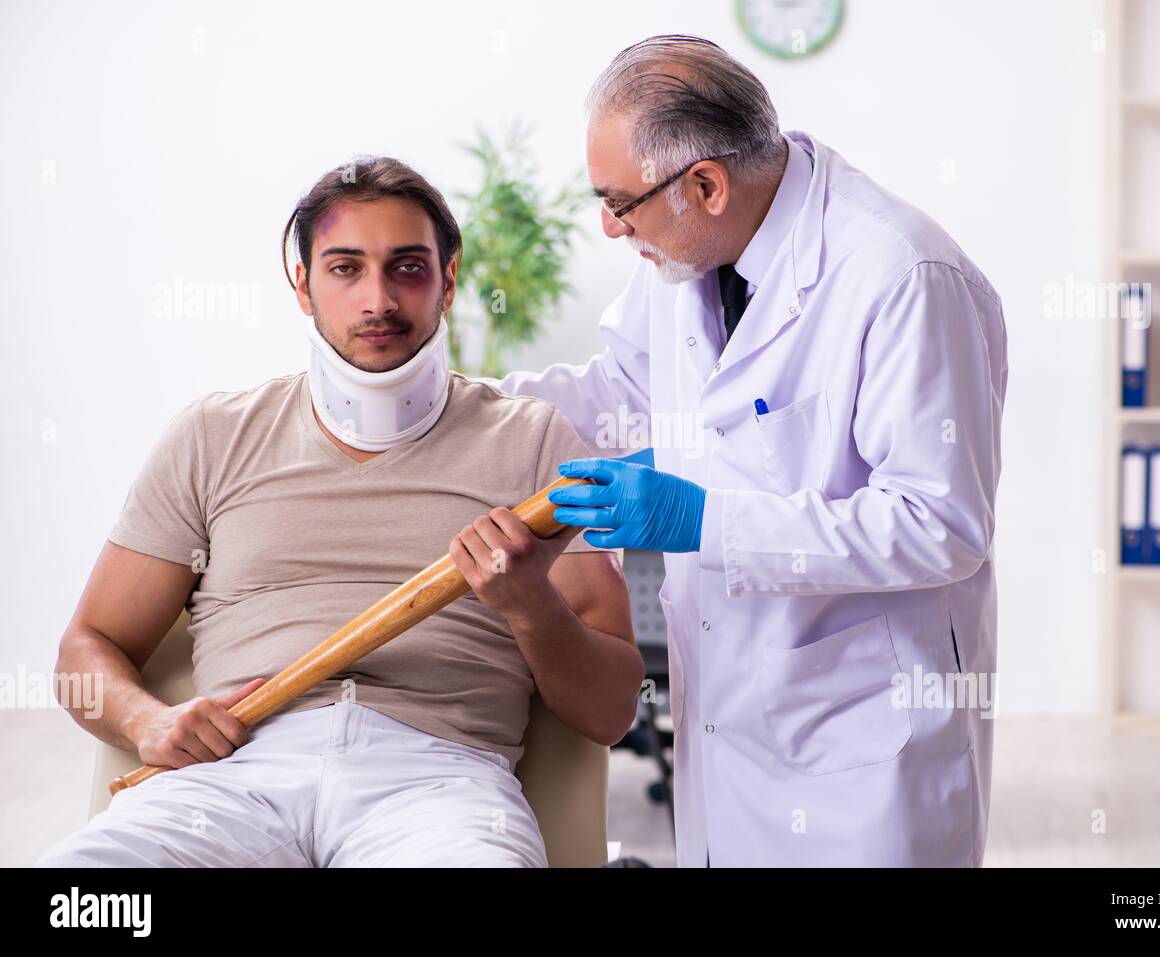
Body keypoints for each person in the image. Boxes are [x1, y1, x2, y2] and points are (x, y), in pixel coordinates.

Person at [36, 156, 641, 868]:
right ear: (303, 285)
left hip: (440, 786)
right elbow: (88, 645)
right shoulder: (212, 434)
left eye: (407, 267)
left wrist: (530, 602)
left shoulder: (533, 439)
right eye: (346, 268)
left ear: (448, 281)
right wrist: (148, 720)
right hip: (232, 775)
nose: (377, 299)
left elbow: (611, 710)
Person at [498, 35, 1009, 866]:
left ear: (704, 183)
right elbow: (624, 391)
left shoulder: (901, 274)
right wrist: (464, 408)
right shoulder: (683, 250)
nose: (608, 224)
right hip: (731, 721)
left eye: (618, 202)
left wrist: (704, 518)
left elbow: (940, 523)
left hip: (860, 741)